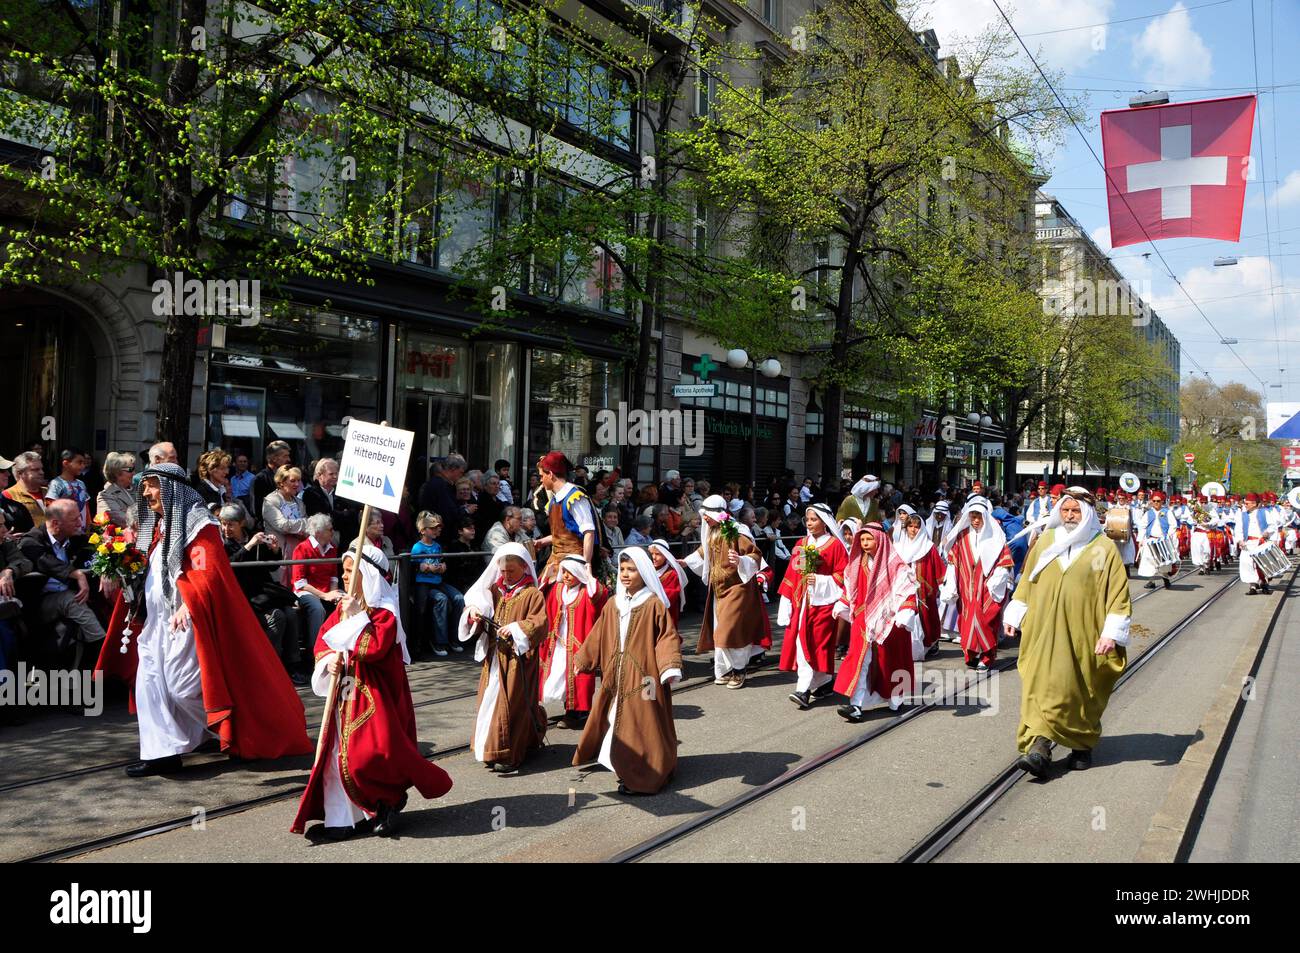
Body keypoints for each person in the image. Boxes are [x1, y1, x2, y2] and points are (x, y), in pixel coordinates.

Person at [95, 463, 311, 776]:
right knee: (149, 684)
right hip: (154, 620)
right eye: (143, 487)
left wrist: (189, 603)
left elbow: (208, 572)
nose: (145, 492)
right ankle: (161, 752)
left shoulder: (200, 524)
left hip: (185, 621)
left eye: (151, 485)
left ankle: (225, 726)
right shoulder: (157, 526)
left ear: (170, 487)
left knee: (181, 687)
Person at [291, 544, 454, 840]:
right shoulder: (342, 609)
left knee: (371, 756)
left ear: (368, 576)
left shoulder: (386, 614)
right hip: (346, 695)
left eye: (351, 571)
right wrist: (328, 662)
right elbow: (323, 643)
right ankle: (341, 819)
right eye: (343, 570)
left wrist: (356, 618)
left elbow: (374, 648)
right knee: (337, 757)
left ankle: (388, 801)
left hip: (377, 700)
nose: (344, 576)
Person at [1003, 488, 1130, 776]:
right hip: (1042, 630)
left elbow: (1118, 595)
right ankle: (1039, 744)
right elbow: (1027, 582)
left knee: (1079, 689)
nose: (1070, 516)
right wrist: (1015, 612)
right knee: (1041, 684)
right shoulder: (1047, 540)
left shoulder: (1103, 549)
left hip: (1084, 633)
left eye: (1075, 511)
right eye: (1065, 510)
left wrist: (1111, 633)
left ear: (1085, 513)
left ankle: (1081, 743)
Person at [570, 547, 683, 795]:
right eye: (622, 569)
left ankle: (644, 774)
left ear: (643, 572)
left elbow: (666, 637)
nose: (625, 574)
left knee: (643, 723)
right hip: (616, 674)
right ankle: (624, 766)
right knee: (615, 718)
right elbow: (598, 633)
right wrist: (584, 659)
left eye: (631, 570)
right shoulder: (614, 604)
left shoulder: (653, 604)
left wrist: (669, 666)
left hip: (645, 677)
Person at [457, 542, 548, 773]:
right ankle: (491, 747)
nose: (506, 576)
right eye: (503, 571)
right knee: (492, 702)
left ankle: (509, 755)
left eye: (512, 571)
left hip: (519, 660)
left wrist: (516, 628)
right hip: (495, 658)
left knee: (514, 704)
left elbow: (539, 624)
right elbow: (477, 604)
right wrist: (474, 615)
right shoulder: (494, 591)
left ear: (524, 568)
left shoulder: (532, 594)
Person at [833, 522, 921, 721]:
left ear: (879, 539)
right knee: (860, 660)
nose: (864, 543)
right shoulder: (856, 564)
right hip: (863, 621)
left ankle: (895, 697)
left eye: (869, 538)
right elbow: (850, 589)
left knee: (888, 661)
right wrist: (843, 604)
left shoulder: (895, 564)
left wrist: (906, 611)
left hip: (889, 621)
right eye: (862, 539)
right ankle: (855, 705)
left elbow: (906, 590)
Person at [682, 494, 766, 688]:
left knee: (729, 630)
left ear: (717, 514)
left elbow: (755, 554)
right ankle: (726, 669)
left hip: (738, 588)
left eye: (707, 514)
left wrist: (741, 560)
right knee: (721, 630)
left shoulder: (737, 531)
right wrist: (686, 562)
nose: (704, 518)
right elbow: (705, 551)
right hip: (719, 590)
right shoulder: (712, 532)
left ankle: (739, 670)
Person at [219, 503, 306, 684]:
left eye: (230, 524)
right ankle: (270, 665)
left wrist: (274, 549)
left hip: (264, 593)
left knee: (290, 613)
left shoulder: (253, 538)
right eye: (223, 524)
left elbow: (272, 565)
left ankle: (293, 665)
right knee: (277, 617)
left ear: (241, 523)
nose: (226, 529)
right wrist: (249, 545)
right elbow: (230, 567)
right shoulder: (224, 545)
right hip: (245, 596)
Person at [778, 503, 849, 709]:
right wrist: (787, 599)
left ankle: (806, 688)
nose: (809, 523)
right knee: (802, 643)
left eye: (814, 519)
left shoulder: (835, 545)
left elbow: (842, 575)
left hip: (824, 605)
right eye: (807, 520)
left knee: (818, 644)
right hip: (802, 604)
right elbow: (793, 573)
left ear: (824, 522)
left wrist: (820, 580)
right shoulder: (801, 543)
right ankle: (816, 684)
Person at [19, 498, 106, 654]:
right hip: (40, 604)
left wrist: (107, 572)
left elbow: (97, 553)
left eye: (80, 517)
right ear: (55, 524)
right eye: (74, 520)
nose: (80, 523)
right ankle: (102, 647)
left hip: (74, 596)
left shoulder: (77, 539)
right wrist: (77, 574)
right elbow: (45, 562)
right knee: (71, 599)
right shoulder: (31, 541)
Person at [938, 496, 1013, 671]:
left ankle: (987, 657)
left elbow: (1004, 564)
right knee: (966, 622)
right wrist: (951, 586)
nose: (976, 520)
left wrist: (996, 582)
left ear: (985, 517)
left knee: (986, 621)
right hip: (966, 588)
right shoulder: (962, 537)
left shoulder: (996, 538)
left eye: (979, 517)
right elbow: (953, 562)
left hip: (987, 589)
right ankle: (970, 655)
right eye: (972, 516)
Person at [540, 555, 609, 730]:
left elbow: (599, 595)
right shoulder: (557, 589)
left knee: (576, 677)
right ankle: (568, 707)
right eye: (564, 572)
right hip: (557, 642)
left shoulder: (586, 592)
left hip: (578, 644)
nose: (566, 576)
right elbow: (540, 596)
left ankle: (574, 712)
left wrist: (589, 574)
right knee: (557, 676)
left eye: (571, 572)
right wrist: (546, 577)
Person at [535, 452, 598, 586]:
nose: (541, 480)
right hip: (555, 561)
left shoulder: (575, 498)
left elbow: (589, 532)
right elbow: (563, 535)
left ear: (550, 474)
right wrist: (541, 542)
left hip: (573, 565)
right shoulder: (554, 500)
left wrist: (585, 565)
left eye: (542, 476)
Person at [893, 507, 945, 660]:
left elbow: (939, 569)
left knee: (927, 618)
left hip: (924, 590)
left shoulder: (928, 547)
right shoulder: (897, 547)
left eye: (916, 527)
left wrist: (943, 586)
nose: (913, 530)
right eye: (910, 526)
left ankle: (930, 644)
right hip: (903, 589)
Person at [411, 511, 461, 658]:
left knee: (458, 598)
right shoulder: (417, 547)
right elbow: (413, 567)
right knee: (434, 602)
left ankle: (454, 638)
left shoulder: (437, 546)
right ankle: (436, 641)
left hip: (438, 581)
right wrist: (424, 567)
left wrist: (442, 566)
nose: (435, 530)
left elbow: (439, 561)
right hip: (424, 584)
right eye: (431, 528)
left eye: (436, 528)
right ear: (423, 530)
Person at [290, 513, 343, 651]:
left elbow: (333, 577)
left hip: (326, 590)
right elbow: (300, 582)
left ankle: (339, 649)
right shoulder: (302, 548)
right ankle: (315, 650)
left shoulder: (332, 548)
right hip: (306, 591)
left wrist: (333, 593)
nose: (333, 532)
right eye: (329, 529)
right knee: (317, 609)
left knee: (346, 602)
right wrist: (324, 596)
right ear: (319, 532)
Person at [261, 465, 309, 582]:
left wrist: (300, 526)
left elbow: (306, 529)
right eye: (292, 481)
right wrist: (305, 523)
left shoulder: (299, 502)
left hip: (297, 551)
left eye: (298, 480)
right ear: (281, 482)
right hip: (279, 552)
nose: (297, 484)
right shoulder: (270, 500)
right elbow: (283, 525)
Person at [304, 458, 360, 547]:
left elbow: (353, 512)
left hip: (344, 540)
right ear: (320, 475)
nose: (335, 477)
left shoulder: (341, 492)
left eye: (336, 473)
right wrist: (344, 514)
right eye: (331, 474)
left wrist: (338, 515)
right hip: (322, 542)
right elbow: (323, 519)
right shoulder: (311, 493)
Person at [1234, 492, 1280, 595]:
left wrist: (1267, 532)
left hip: (1261, 542)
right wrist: (1240, 540)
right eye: (1245, 503)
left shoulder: (1264, 513)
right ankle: (1253, 586)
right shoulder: (1242, 515)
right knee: (1247, 563)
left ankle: (1264, 583)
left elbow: (1273, 526)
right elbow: (1238, 529)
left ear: (1254, 504)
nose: (1245, 505)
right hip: (1248, 543)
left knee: (1263, 564)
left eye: (1247, 503)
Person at [1135, 490, 1179, 591]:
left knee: (1163, 562)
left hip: (1163, 540)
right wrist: (1140, 539)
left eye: (1158, 501)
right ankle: (1151, 581)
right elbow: (1142, 526)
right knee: (1149, 561)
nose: (1156, 503)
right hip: (1150, 540)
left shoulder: (1167, 512)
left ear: (1162, 501)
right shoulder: (1148, 513)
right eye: (1154, 501)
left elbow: (1173, 525)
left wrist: (1168, 536)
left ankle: (1165, 578)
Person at [45, 448, 92, 527]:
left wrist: (88, 525)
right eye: (79, 462)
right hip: (64, 528)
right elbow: (50, 506)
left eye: (84, 463)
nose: (83, 466)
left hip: (81, 528)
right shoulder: (56, 483)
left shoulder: (81, 484)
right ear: (66, 463)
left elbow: (85, 506)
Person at [4, 450, 47, 532]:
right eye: (35, 470)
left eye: (41, 469)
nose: (42, 472)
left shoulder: (50, 492)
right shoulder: (7, 495)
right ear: (20, 473)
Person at [648, 538, 687, 626]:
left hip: (667, 613)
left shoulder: (672, 574)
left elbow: (671, 595)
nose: (654, 557)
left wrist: (650, 598)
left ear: (665, 555)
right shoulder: (648, 571)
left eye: (658, 554)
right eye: (652, 554)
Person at [97, 452, 139, 530]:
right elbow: (121, 520)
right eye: (130, 470)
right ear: (117, 473)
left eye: (134, 469)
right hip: (122, 540)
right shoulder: (106, 496)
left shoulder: (140, 490)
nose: (134, 473)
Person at [252, 440, 293, 519]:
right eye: (285, 456)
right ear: (274, 458)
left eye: (288, 456)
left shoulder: (287, 478)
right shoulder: (260, 479)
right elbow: (256, 510)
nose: (289, 459)